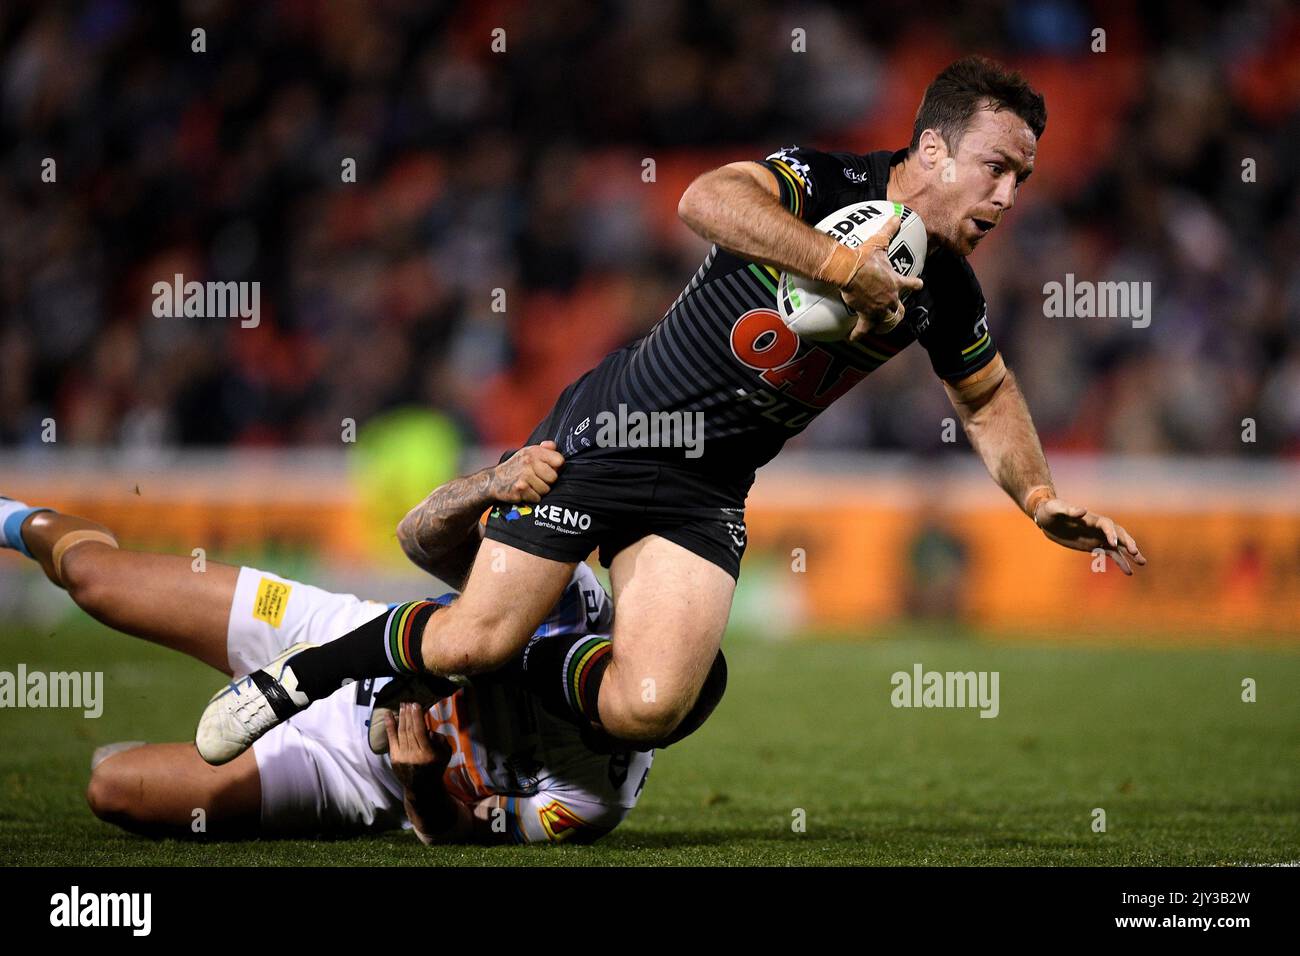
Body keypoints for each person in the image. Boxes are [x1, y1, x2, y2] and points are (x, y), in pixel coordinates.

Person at [195, 55, 1145, 766]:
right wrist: (840, 267)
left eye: (1022, 178)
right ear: (932, 148)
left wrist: (1035, 496)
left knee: (650, 706)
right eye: (995, 167)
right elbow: (704, 199)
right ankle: (301, 676)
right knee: (472, 636)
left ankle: (526, 649)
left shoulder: (950, 288)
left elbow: (986, 397)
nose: (1009, 196)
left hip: (708, 487)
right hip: (612, 433)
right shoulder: (827, 183)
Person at [1, 446, 727, 841]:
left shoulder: (592, 802)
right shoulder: (570, 596)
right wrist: (484, 487)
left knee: (114, 789)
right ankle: (13, 518)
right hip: (332, 630)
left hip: (348, 770)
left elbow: (452, 834)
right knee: (98, 580)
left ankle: (166, 744)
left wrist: (417, 781)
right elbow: (419, 538)